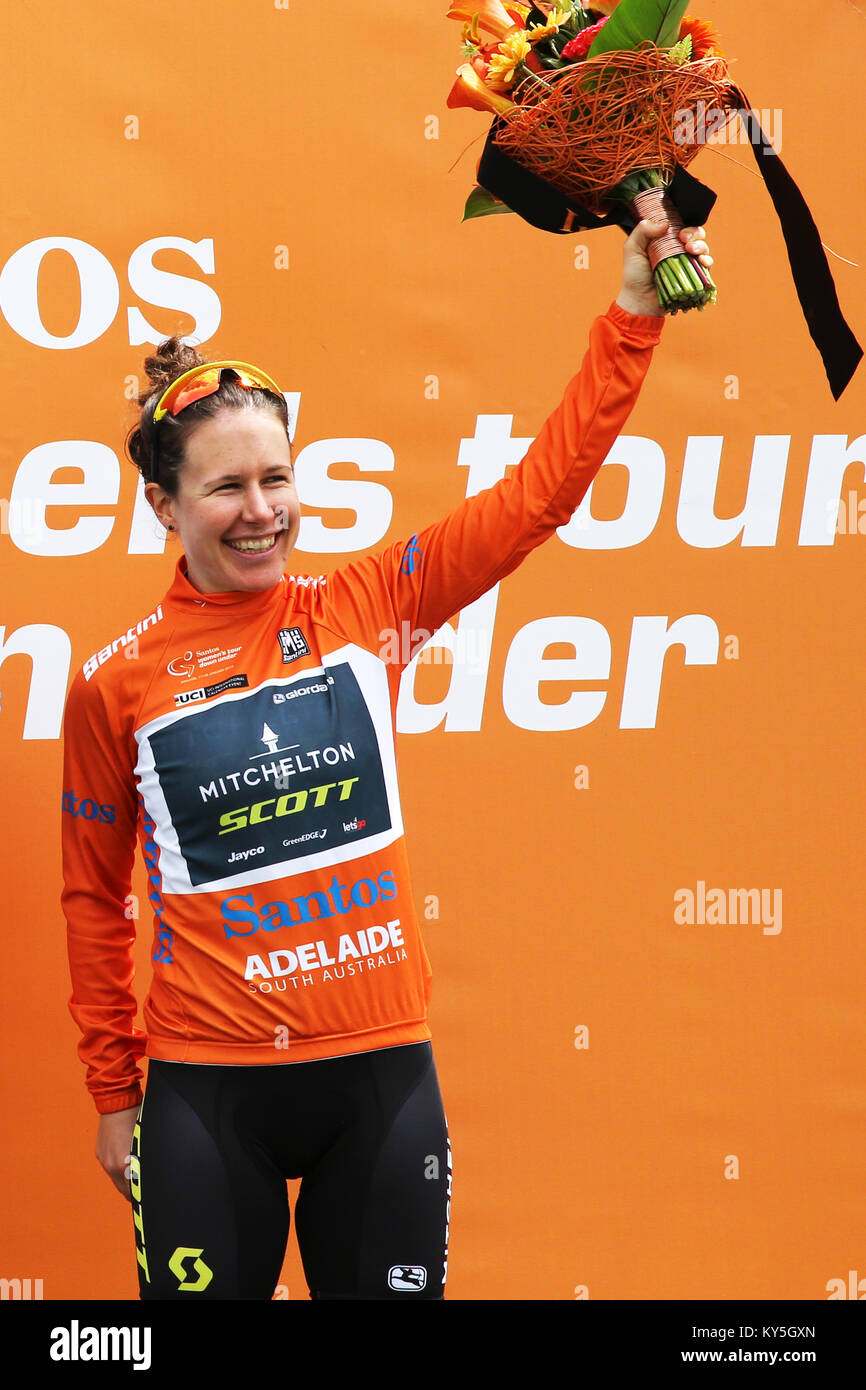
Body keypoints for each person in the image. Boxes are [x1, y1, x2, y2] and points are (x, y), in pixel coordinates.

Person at [60, 217, 713, 1300]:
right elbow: (93, 899)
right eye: (225, 488)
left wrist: (632, 313)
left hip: (382, 1082)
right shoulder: (113, 682)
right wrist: (112, 1091)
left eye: (278, 477)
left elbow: (536, 497)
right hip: (201, 1098)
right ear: (163, 504)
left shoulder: (370, 605)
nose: (261, 512)